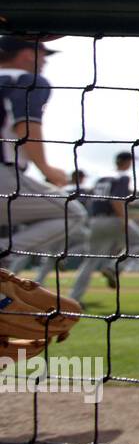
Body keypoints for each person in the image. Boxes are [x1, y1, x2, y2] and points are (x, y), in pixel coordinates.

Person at [0, 36, 86, 272]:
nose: (44, 62)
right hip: (4, 179)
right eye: (42, 55)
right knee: (73, 213)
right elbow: (26, 125)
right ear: (28, 53)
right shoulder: (26, 80)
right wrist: (46, 168)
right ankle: (4, 253)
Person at [70, 151, 139, 302]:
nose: (131, 164)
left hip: (96, 221)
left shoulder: (102, 178)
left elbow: (97, 201)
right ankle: (114, 267)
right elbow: (116, 201)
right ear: (125, 162)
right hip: (113, 219)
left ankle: (73, 299)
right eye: (130, 161)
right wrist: (124, 220)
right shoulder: (123, 177)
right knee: (138, 242)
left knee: (90, 262)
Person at [33, 169, 88, 285]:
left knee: (52, 256)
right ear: (80, 178)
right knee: (89, 241)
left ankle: (38, 281)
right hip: (72, 224)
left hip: (57, 225)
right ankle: (62, 258)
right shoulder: (80, 190)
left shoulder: (61, 189)